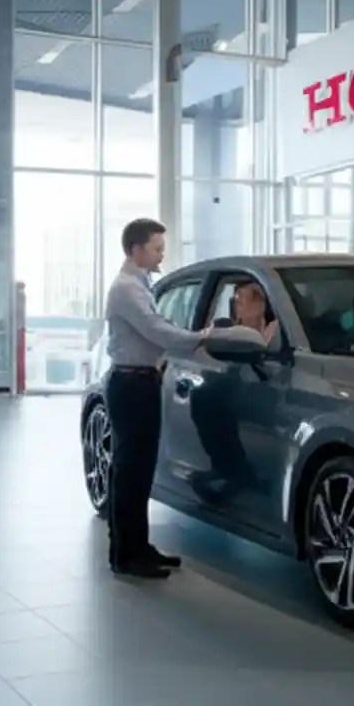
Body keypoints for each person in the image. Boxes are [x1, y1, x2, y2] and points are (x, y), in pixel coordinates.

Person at [104, 218, 208, 579]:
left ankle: (137, 547)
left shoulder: (141, 284)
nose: (162, 253)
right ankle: (126, 555)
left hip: (142, 382)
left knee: (140, 469)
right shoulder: (126, 289)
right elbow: (155, 330)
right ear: (136, 250)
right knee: (130, 471)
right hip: (131, 385)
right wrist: (198, 338)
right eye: (157, 248)